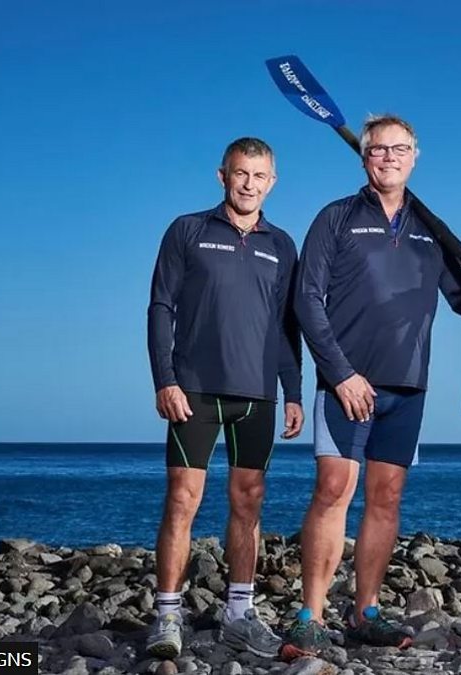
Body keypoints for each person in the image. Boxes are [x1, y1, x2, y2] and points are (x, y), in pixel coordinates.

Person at [281, 114, 461, 660]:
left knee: (385, 499)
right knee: (334, 491)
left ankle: (366, 612)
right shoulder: (335, 218)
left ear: (414, 156)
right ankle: (309, 616)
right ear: (364, 158)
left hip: (408, 385)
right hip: (347, 384)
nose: (388, 157)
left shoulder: (430, 230)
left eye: (399, 149)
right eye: (377, 149)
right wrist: (340, 373)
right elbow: (306, 301)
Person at [145, 137, 304, 659]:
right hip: (192, 388)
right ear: (222, 176)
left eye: (259, 177)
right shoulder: (188, 230)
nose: (249, 184)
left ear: (272, 182)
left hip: (256, 393)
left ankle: (239, 614)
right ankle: (167, 615)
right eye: (240, 174)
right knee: (183, 501)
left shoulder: (281, 244)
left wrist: (294, 391)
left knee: (248, 503)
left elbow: (287, 326)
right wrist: (164, 379)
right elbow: (161, 306)